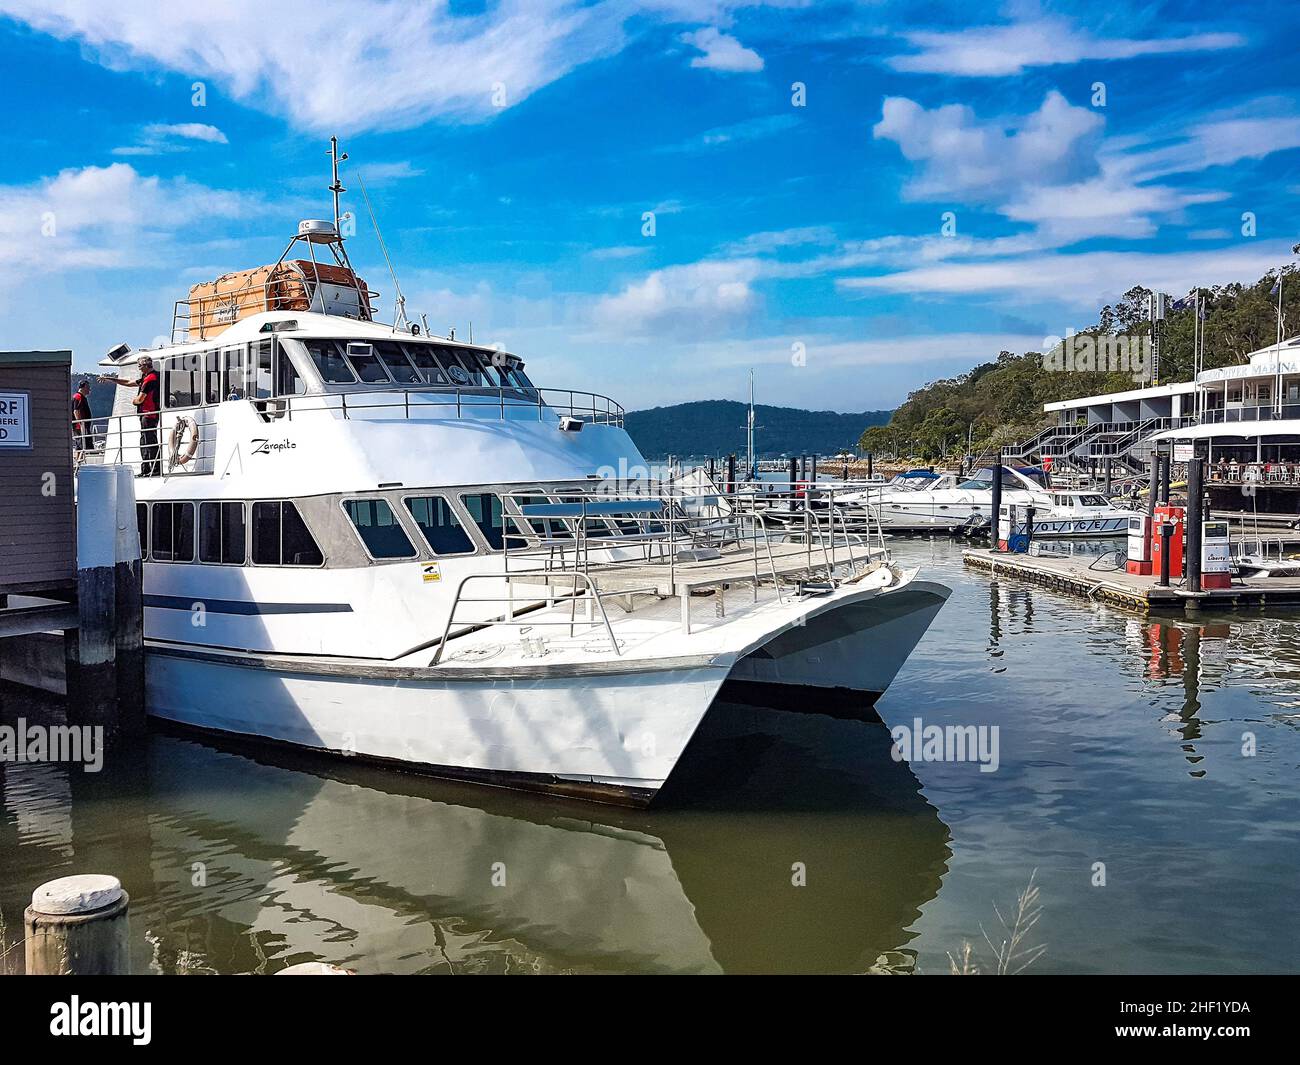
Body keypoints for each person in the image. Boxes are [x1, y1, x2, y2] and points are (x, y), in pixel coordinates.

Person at [99, 355, 162, 476]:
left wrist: (134, 401)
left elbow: (140, 399)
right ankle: (146, 469)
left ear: (145, 365)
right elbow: (129, 382)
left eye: (139, 365)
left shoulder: (151, 378)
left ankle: (155, 469)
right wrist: (110, 379)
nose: (138, 368)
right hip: (146, 414)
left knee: (150, 441)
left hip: (149, 414)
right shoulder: (146, 377)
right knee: (144, 441)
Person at [71, 379, 93, 455]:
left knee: (80, 446)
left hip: (83, 426)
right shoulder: (78, 397)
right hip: (80, 427)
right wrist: (81, 424)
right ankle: (81, 462)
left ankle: (79, 461)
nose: (89, 389)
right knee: (83, 445)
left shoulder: (81, 397)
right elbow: (76, 411)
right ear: (83, 387)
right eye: (88, 387)